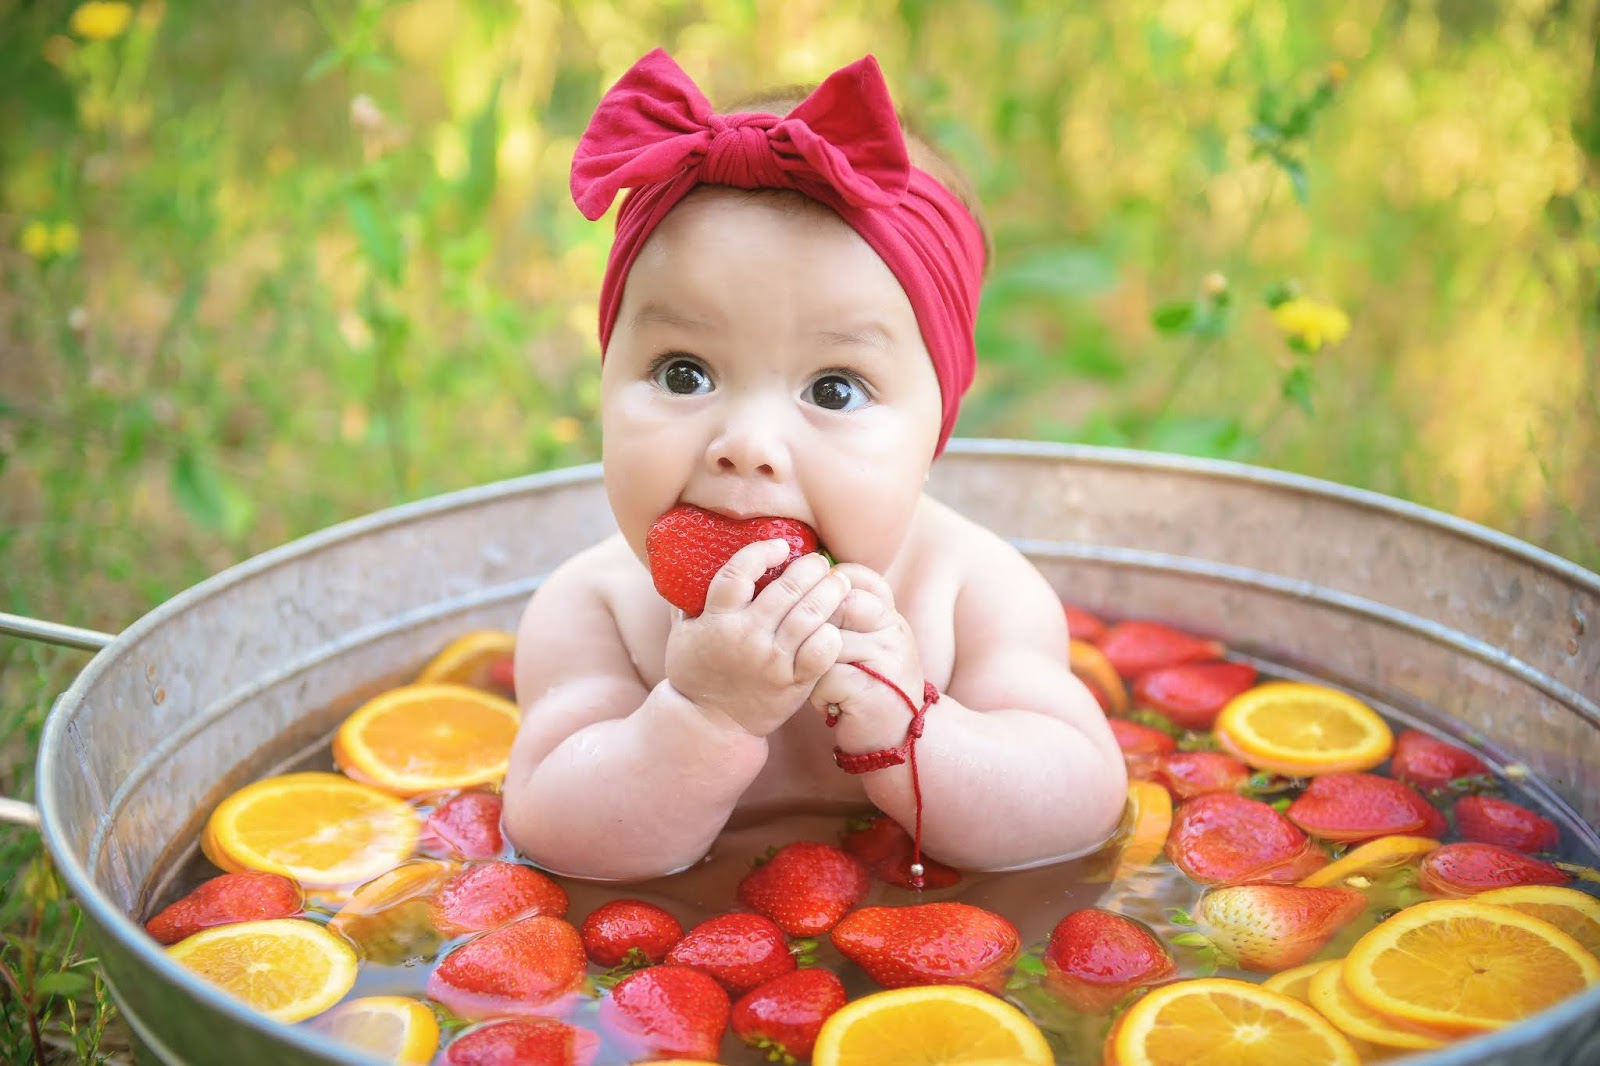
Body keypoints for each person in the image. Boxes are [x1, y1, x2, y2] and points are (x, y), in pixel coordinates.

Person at [502, 48, 1126, 882]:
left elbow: (1082, 806)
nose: (748, 444)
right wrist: (700, 717)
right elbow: (552, 833)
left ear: (935, 427)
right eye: (684, 372)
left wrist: (917, 729)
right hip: (665, 989)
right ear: (605, 382)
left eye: (834, 389)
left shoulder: (972, 590)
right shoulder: (594, 609)